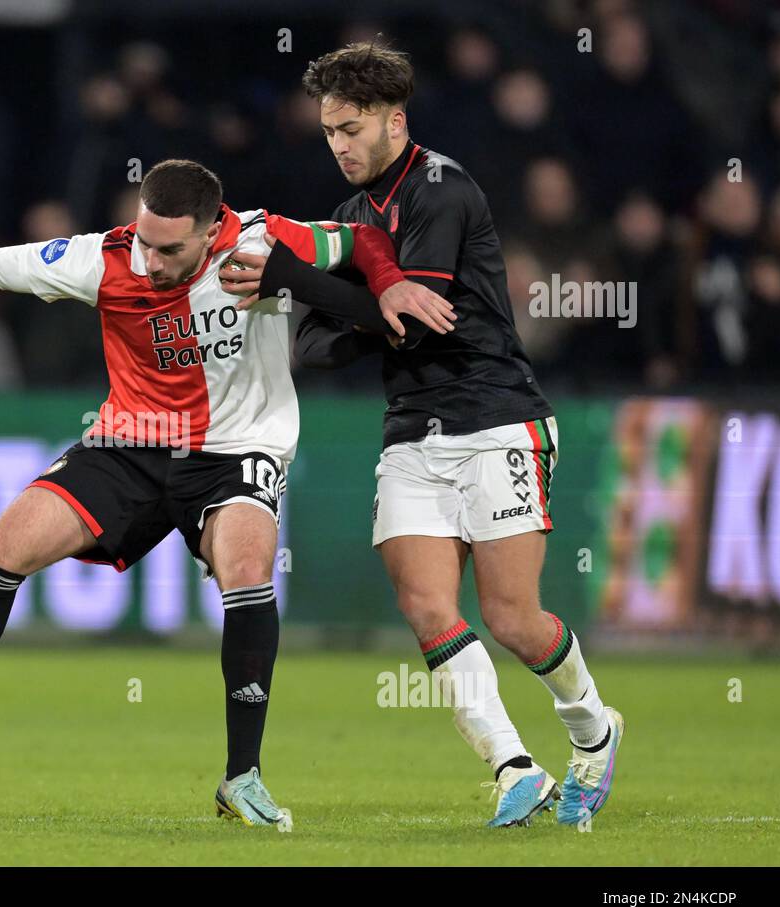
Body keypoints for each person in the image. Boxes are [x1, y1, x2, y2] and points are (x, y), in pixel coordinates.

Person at [0, 158, 453, 826]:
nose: (150, 259)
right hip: (128, 444)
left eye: (169, 248)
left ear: (212, 232)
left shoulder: (265, 242)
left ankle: (242, 778)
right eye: (145, 239)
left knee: (248, 570)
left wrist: (392, 286)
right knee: (1, 549)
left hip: (235, 450)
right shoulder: (102, 260)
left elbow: (363, 241)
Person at [221, 41, 622, 828]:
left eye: (352, 127)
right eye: (329, 130)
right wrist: (351, 307)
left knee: (511, 618)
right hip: (410, 430)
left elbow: (408, 321)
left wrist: (302, 284)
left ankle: (594, 730)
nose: (338, 144)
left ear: (394, 120)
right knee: (428, 607)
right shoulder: (349, 218)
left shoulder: (440, 188)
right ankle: (513, 766)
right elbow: (321, 343)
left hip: (496, 414)